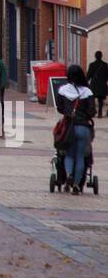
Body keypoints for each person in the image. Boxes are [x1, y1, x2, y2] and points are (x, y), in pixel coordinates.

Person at [56, 63, 95, 193]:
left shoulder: (63, 90)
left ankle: (68, 176)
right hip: (83, 128)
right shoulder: (87, 91)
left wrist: (68, 113)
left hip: (69, 128)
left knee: (69, 155)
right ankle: (77, 185)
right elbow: (92, 111)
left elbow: (60, 108)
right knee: (80, 157)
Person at [86, 51, 108, 118]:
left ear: (95, 56)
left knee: (92, 98)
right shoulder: (105, 65)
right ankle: (100, 113)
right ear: (101, 56)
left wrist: (85, 82)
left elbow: (88, 75)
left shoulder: (92, 65)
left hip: (94, 85)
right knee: (100, 100)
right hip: (102, 85)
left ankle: (93, 111)